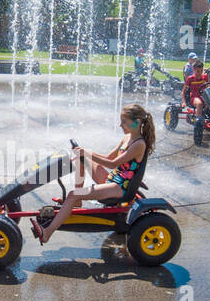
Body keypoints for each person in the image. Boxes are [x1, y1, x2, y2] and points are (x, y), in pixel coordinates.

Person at [36, 103, 155, 244]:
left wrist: (87, 153)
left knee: (72, 195)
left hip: (121, 187)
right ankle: (77, 201)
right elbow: (109, 157)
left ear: (137, 122)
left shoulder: (139, 144)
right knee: (82, 159)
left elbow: (112, 164)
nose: (120, 125)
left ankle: (47, 233)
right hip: (112, 180)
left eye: (124, 122)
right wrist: (84, 153)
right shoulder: (126, 138)